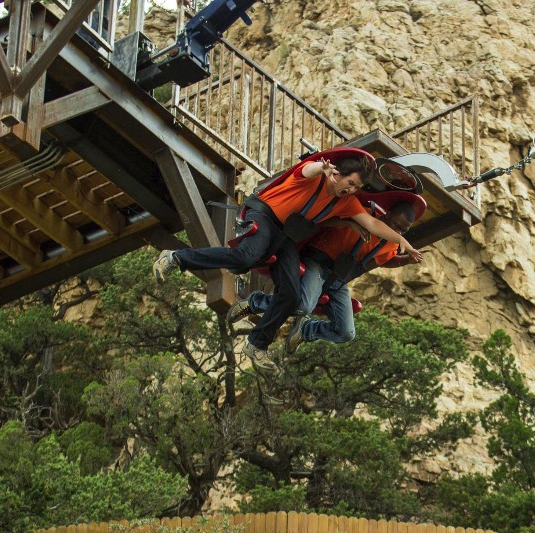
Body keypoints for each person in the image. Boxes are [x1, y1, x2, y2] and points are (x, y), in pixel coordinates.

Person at [153, 149, 424, 373]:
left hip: (286, 237)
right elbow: (306, 170)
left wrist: (404, 243)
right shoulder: (313, 177)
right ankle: (176, 257)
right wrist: (320, 168)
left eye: (357, 187)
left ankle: (257, 345)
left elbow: (372, 224)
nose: (351, 190)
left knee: (292, 295)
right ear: (337, 174)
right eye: (350, 183)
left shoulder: (348, 203)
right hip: (265, 216)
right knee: (244, 258)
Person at [228, 191, 427, 355]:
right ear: (388, 213)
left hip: (338, 280)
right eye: (396, 224)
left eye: (403, 229)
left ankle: (307, 330)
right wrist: (348, 224)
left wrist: (405, 260)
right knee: (302, 305)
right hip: (317, 262)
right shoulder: (363, 213)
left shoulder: (392, 242)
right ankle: (256, 302)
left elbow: (385, 260)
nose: (398, 231)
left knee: (346, 332)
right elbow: (322, 221)